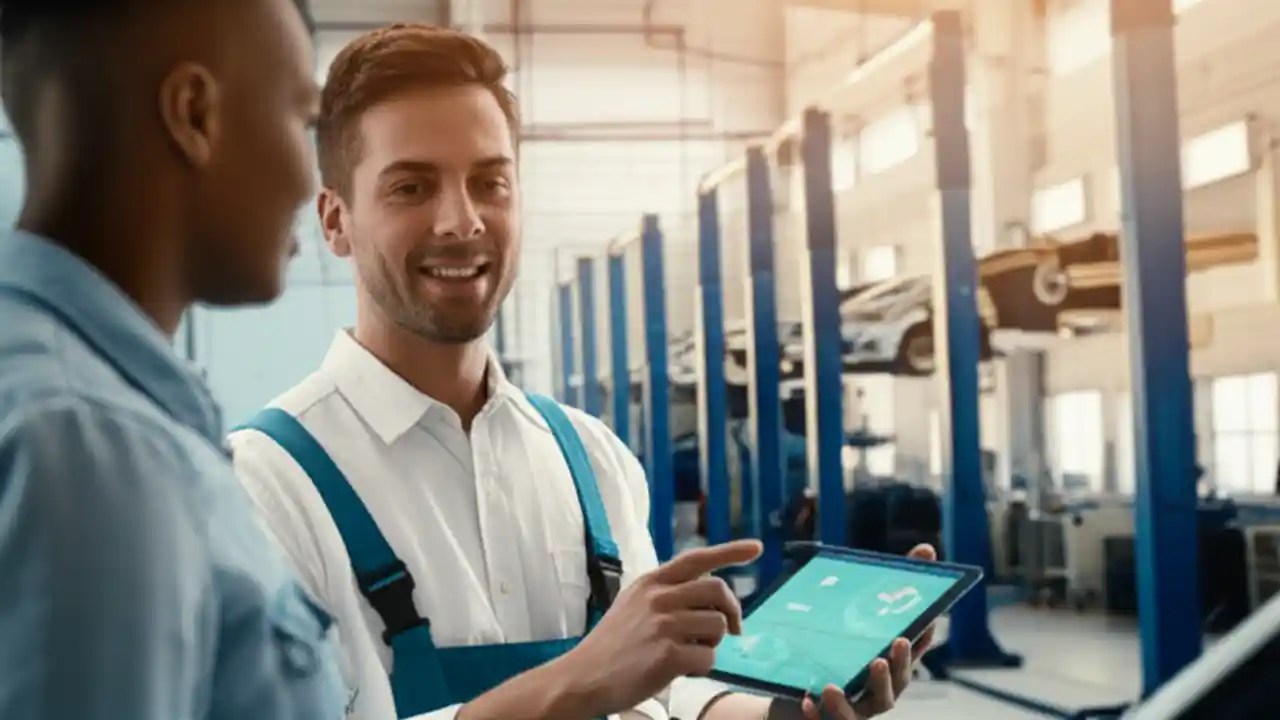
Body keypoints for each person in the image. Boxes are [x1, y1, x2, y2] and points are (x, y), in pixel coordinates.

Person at [229, 23, 932, 720]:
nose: (462, 220)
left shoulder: (591, 457)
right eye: (411, 187)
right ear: (335, 221)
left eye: (490, 182)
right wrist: (581, 681)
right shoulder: (265, 483)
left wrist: (781, 714)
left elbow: (658, 691)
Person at [0, 0, 353, 718]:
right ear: (194, 114)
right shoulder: (95, 447)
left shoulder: (60, 395)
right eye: (302, 120)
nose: (307, 181)